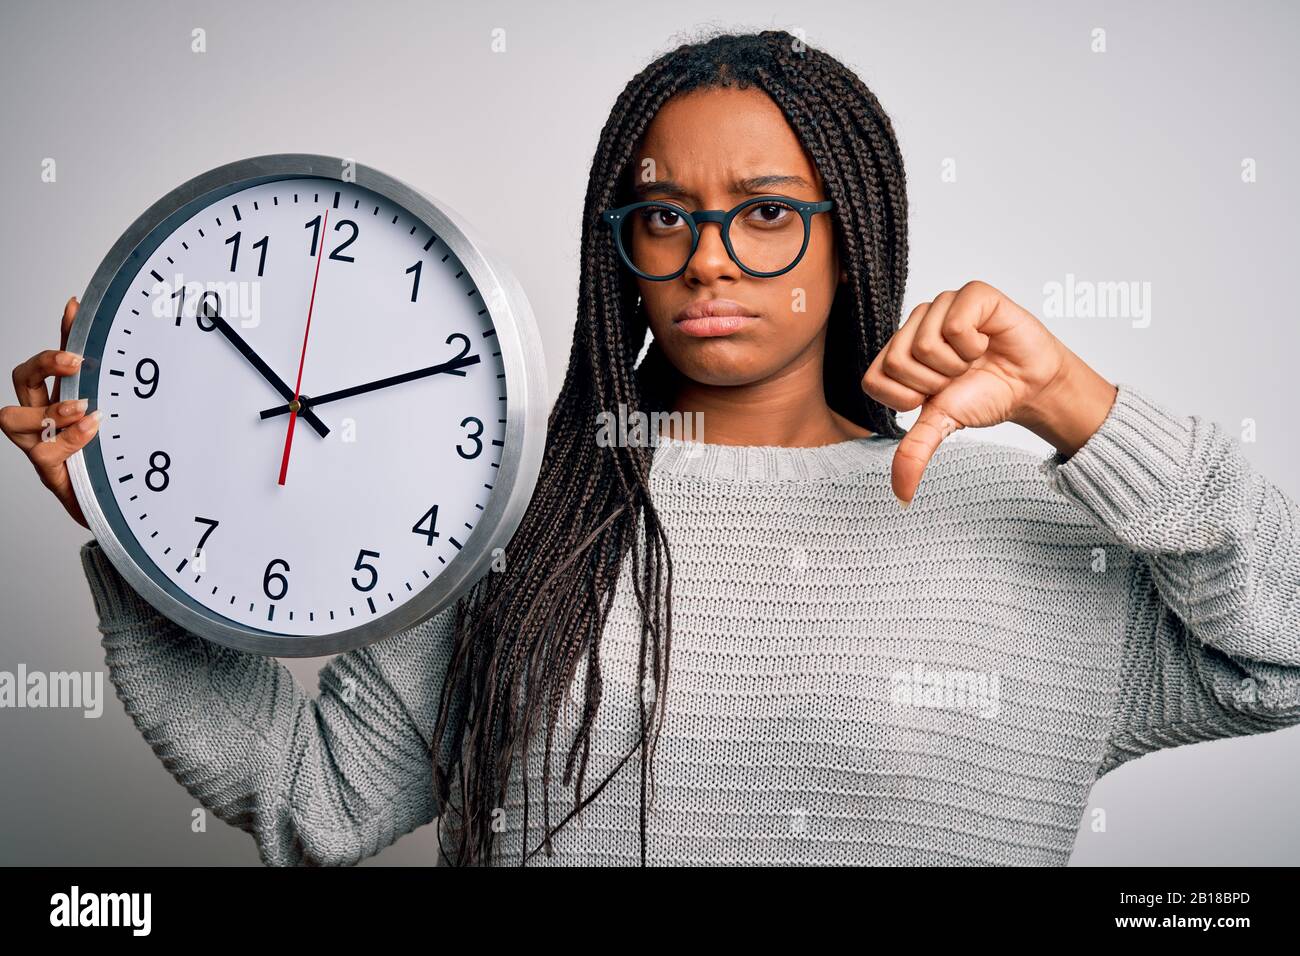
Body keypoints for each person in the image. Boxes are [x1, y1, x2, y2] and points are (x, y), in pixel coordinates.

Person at [6, 29, 1300, 867]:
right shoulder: (506, 512)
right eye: (664, 213)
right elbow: (315, 802)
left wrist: (1088, 411)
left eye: (767, 214)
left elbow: (1282, 660)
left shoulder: (1025, 523)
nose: (708, 258)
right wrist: (136, 528)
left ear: (852, 227)